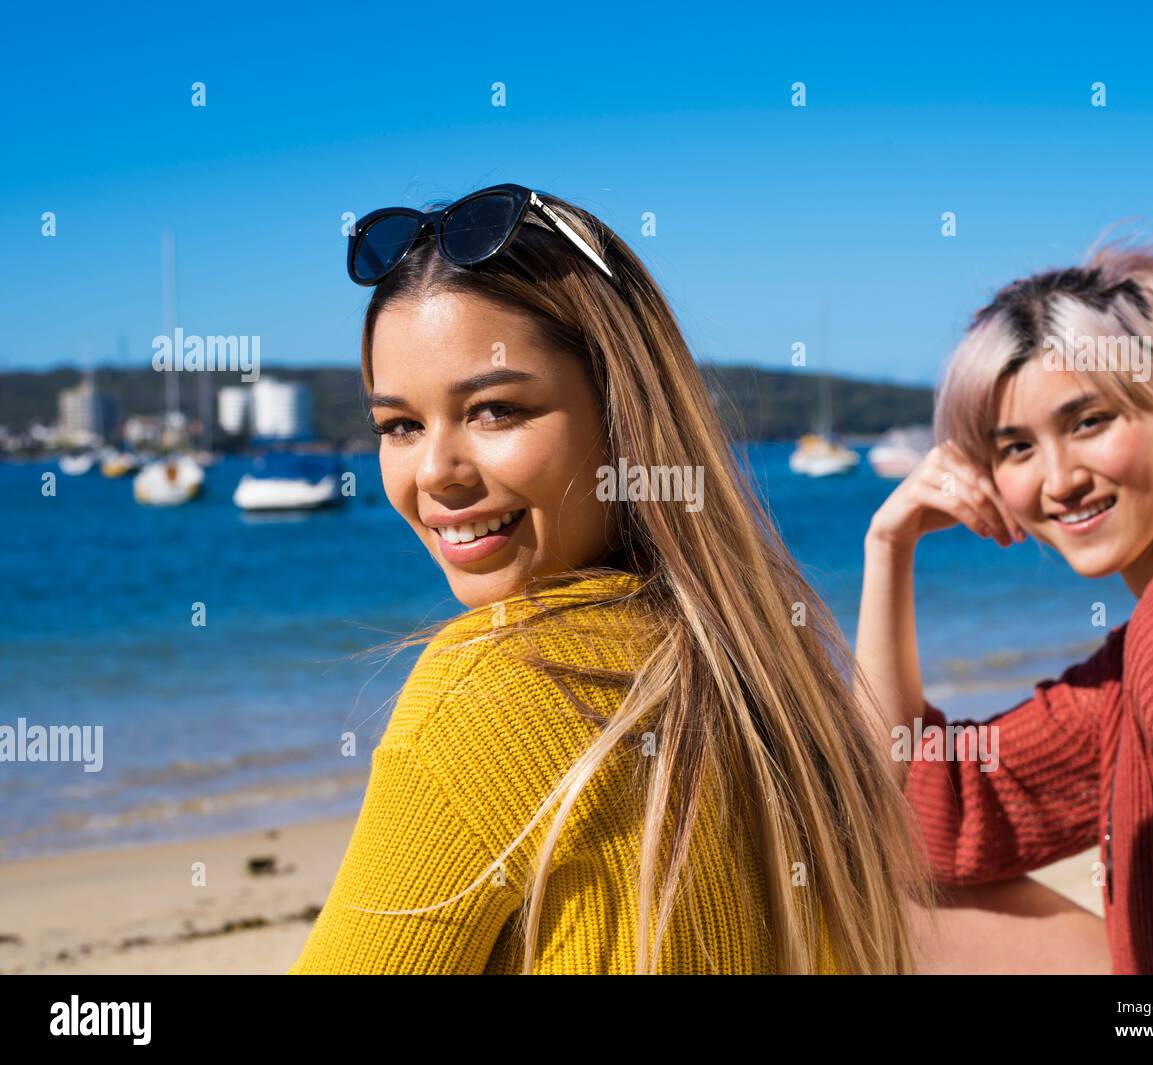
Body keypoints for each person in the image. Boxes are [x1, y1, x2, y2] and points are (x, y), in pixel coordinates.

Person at [288, 183, 925, 974]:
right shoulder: (767, 673)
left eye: (494, 411)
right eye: (400, 426)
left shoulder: (486, 691)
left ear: (623, 415)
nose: (436, 474)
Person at [856, 241, 1153, 974]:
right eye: (1018, 447)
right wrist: (888, 545)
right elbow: (909, 809)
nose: (1060, 481)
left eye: (1089, 421)